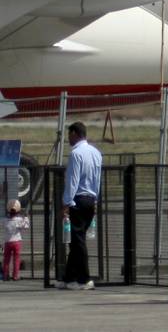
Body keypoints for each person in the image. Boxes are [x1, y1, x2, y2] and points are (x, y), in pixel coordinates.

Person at [61, 120, 102, 290]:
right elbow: (98, 179)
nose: (68, 138)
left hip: (77, 198)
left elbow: (73, 180)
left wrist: (66, 202)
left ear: (75, 134)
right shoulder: (96, 152)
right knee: (77, 240)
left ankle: (85, 279)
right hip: (91, 198)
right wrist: (96, 199)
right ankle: (69, 277)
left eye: (69, 135)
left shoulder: (76, 154)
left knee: (77, 242)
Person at [4, 199, 28, 281]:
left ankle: (6, 275)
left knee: (6, 259)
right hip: (17, 241)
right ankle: (15, 276)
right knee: (16, 259)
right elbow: (26, 226)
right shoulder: (19, 220)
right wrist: (26, 217)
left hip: (7, 242)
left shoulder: (5, 220)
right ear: (17, 210)